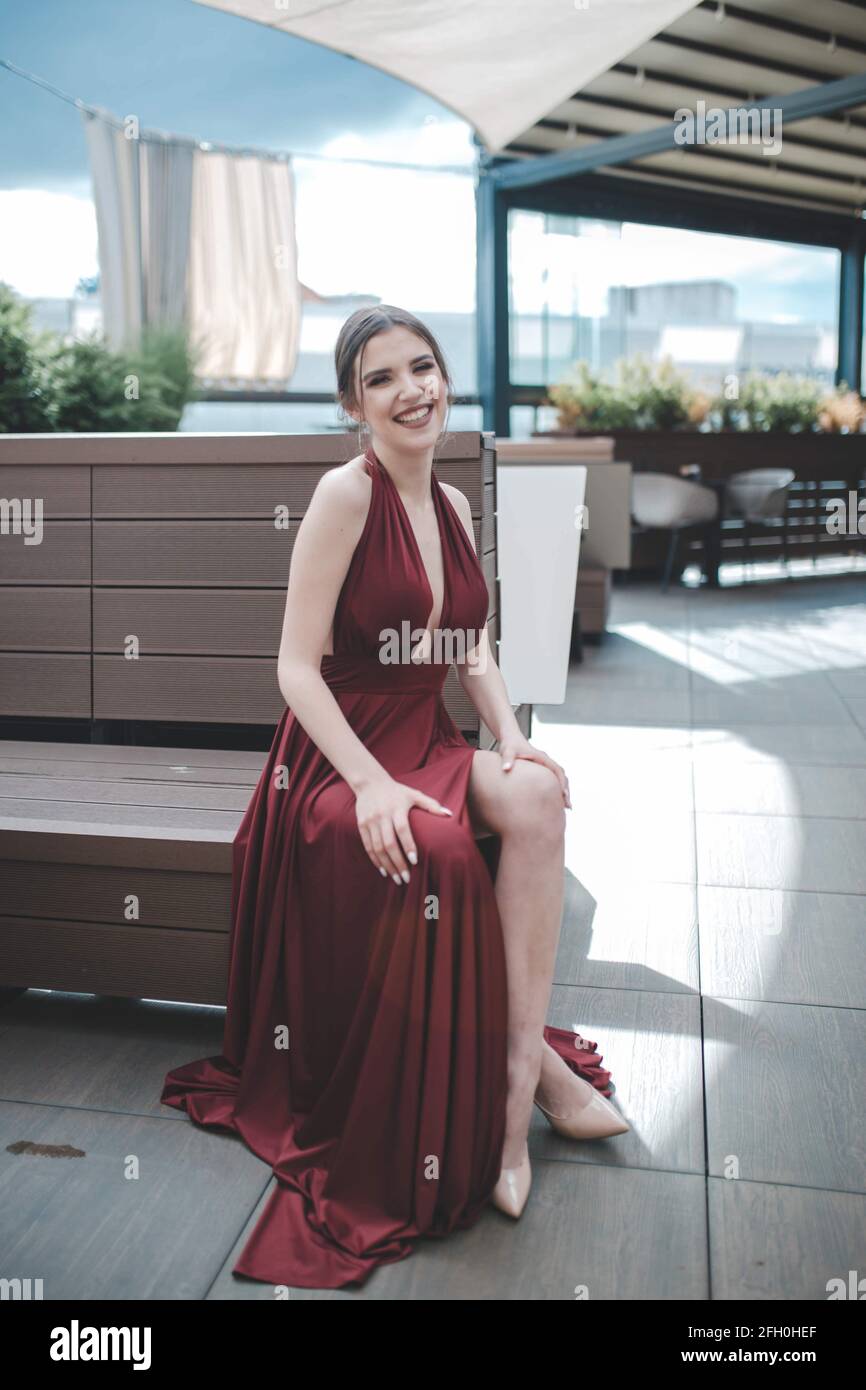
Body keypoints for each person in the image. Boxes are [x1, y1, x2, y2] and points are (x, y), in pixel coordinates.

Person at [161, 305, 628, 1290]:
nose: (412, 389)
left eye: (423, 367)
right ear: (352, 403)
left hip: (431, 735)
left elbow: (468, 646)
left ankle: (509, 1108)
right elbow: (294, 667)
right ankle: (540, 1075)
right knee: (443, 852)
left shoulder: (454, 509)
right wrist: (368, 783)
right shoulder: (344, 495)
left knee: (538, 801)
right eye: (382, 378)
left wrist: (508, 737)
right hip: (336, 756)